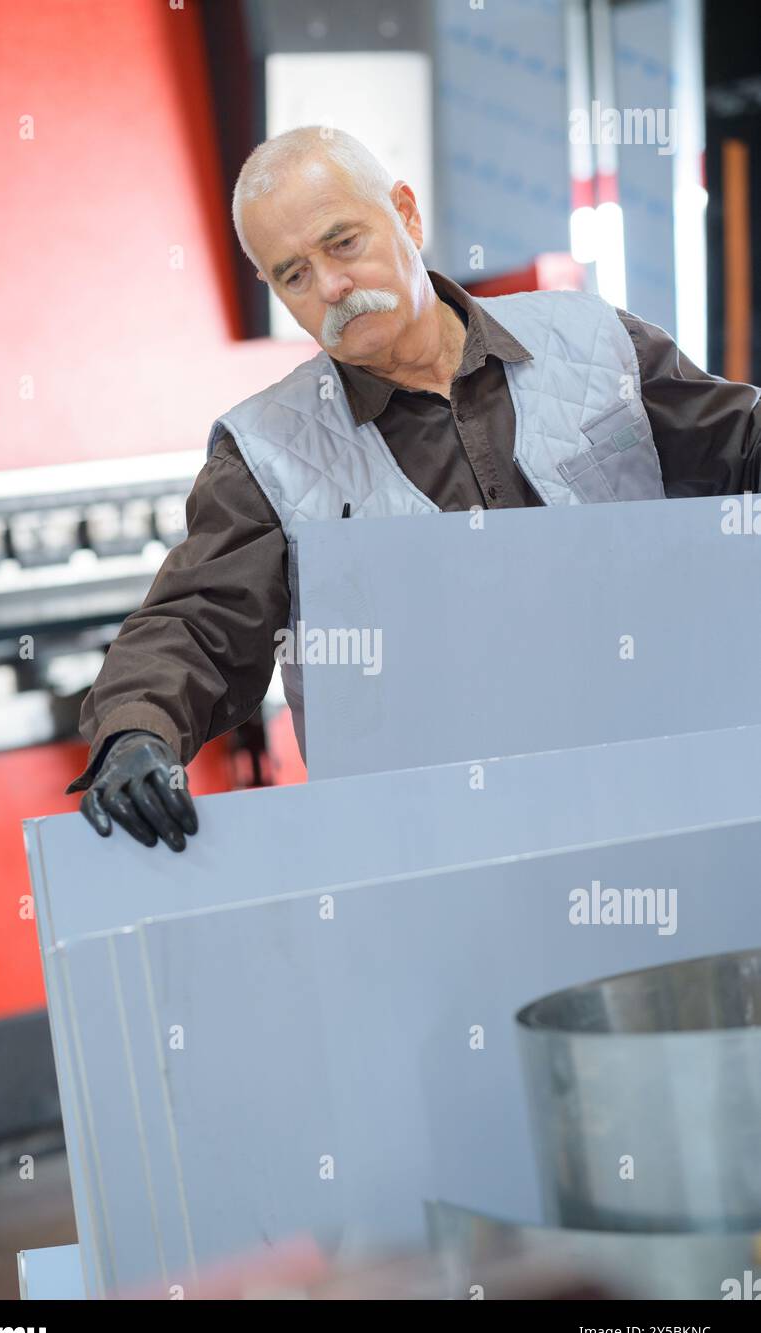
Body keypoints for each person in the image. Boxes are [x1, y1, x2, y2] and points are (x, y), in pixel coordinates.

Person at [68, 126, 761, 851]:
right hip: (433, 846)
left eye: (342, 243)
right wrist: (134, 731)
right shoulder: (264, 455)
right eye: (294, 274)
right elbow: (198, 622)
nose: (332, 286)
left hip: (665, 797)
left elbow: (743, 448)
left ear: (406, 213)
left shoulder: (596, 343)